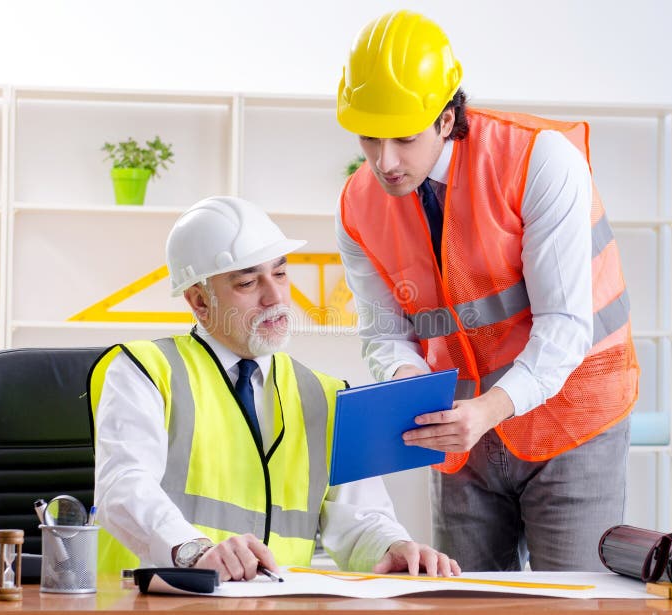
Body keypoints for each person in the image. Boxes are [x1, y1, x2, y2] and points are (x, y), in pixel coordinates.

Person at [335, 10, 639, 572]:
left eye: (403, 138)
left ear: (447, 119)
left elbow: (564, 326)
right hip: (462, 432)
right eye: (370, 138)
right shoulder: (356, 204)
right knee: (464, 601)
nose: (385, 161)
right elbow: (384, 332)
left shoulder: (539, 161)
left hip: (569, 416)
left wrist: (488, 410)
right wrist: (413, 392)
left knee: (567, 606)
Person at [89, 196, 460, 581]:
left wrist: (393, 547)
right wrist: (194, 551)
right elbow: (123, 488)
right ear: (200, 300)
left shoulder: (327, 395)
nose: (275, 297)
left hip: (274, 603)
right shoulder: (145, 371)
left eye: (280, 274)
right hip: (158, 601)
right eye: (248, 282)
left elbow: (361, 520)